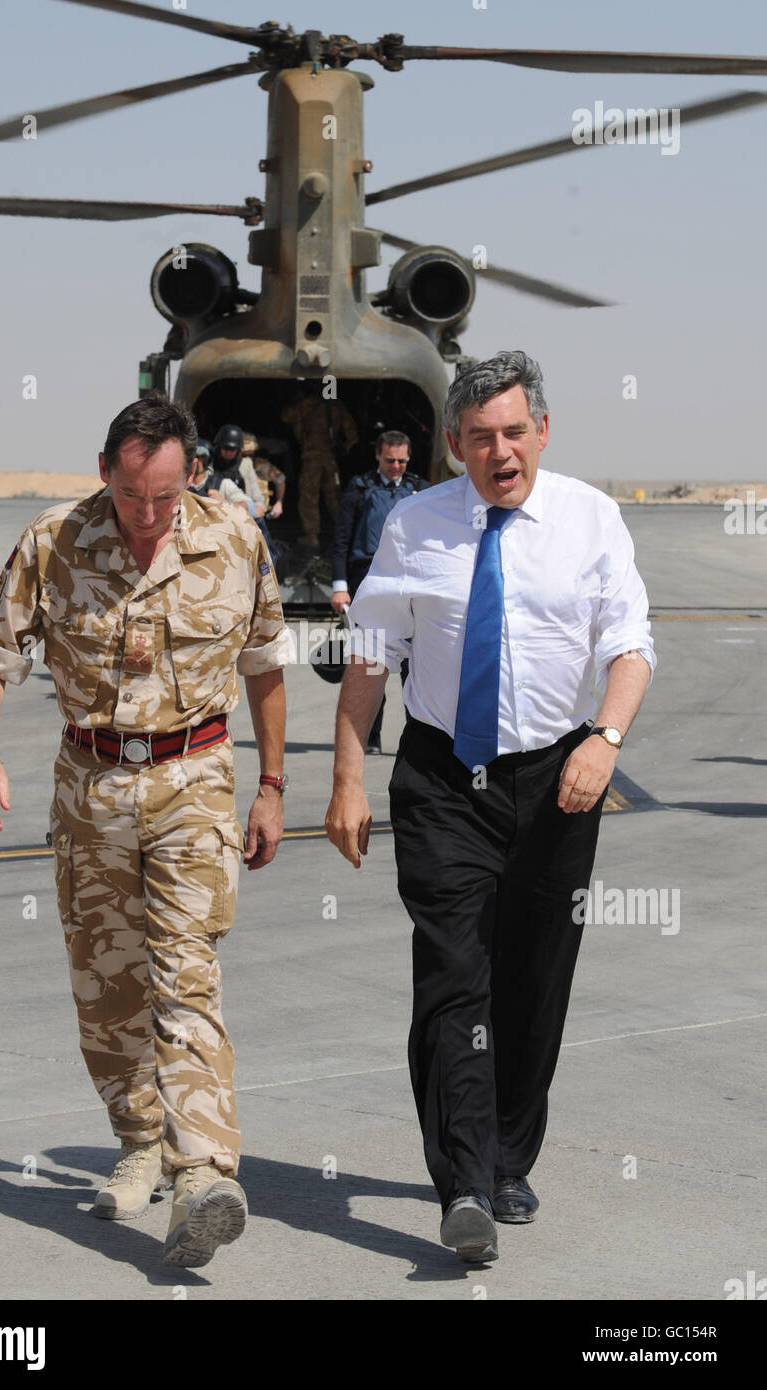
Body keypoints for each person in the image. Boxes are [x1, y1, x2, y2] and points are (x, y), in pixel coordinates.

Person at [324, 350, 655, 1263]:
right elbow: (367, 659)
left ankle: (509, 1156)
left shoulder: (590, 518)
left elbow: (629, 647)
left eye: (513, 432)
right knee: (453, 975)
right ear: (453, 445)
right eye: (478, 437)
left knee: (534, 979)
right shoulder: (415, 526)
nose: (499, 451)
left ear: (541, 431)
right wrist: (347, 776)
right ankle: (463, 1184)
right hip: (441, 781)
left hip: (558, 777)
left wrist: (605, 741)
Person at [0, 393, 293, 1269]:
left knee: (186, 972)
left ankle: (204, 1175)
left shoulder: (233, 537)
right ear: (105, 469)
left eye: (165, 497)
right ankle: (139, 1142)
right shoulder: (53, 540)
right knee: (106, 986)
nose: (149, 516)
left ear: (191, 477)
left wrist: (271, 784)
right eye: (133, 496)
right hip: (91, 784)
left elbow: (263, 666)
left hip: (194, 778)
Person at [331, 430, 427, 754]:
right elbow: (341, 540)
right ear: (378, 456)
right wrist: (340, 587)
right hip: (367, 580)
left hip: (410, 584)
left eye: (402, 460)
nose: (396, 466)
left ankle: (418, 736)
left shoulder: (420, 492)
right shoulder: (358, 490)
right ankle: (368, 737)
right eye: (390, 460)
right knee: (371, 662)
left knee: (415, 665)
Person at [281, 388, 358, 551]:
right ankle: (344, 534)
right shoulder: (336, 405)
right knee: (334, 496)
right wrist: (344, 446)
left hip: (312, 458)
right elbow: (352, 435)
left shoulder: (308, 403)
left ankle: (311, 536)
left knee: (309, 496)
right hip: (331, 459)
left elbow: (286, 416)